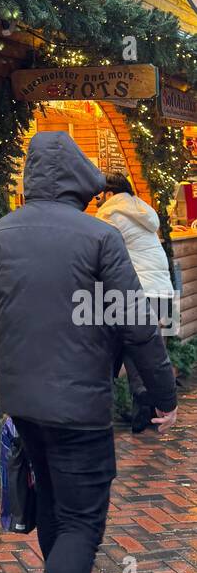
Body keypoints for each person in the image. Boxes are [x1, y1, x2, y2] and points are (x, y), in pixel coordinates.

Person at [0, 131, 177, 573]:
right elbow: (137, 326)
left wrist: (6, 368)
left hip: (22, 403)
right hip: (81, 407)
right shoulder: (100, 238)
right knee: (83, 521)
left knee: (56, 506)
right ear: (78, 183)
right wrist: (163, 395)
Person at [96, 173, 176, 433]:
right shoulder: (142, 210)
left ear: (109, 194)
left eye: (100, 194)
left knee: (130, 347)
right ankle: (149, 412)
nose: (97, 199)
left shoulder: (110, 215)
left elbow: (99, 252)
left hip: (139, 289)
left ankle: (141, 411)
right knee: (145, 349)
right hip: (161, 289)